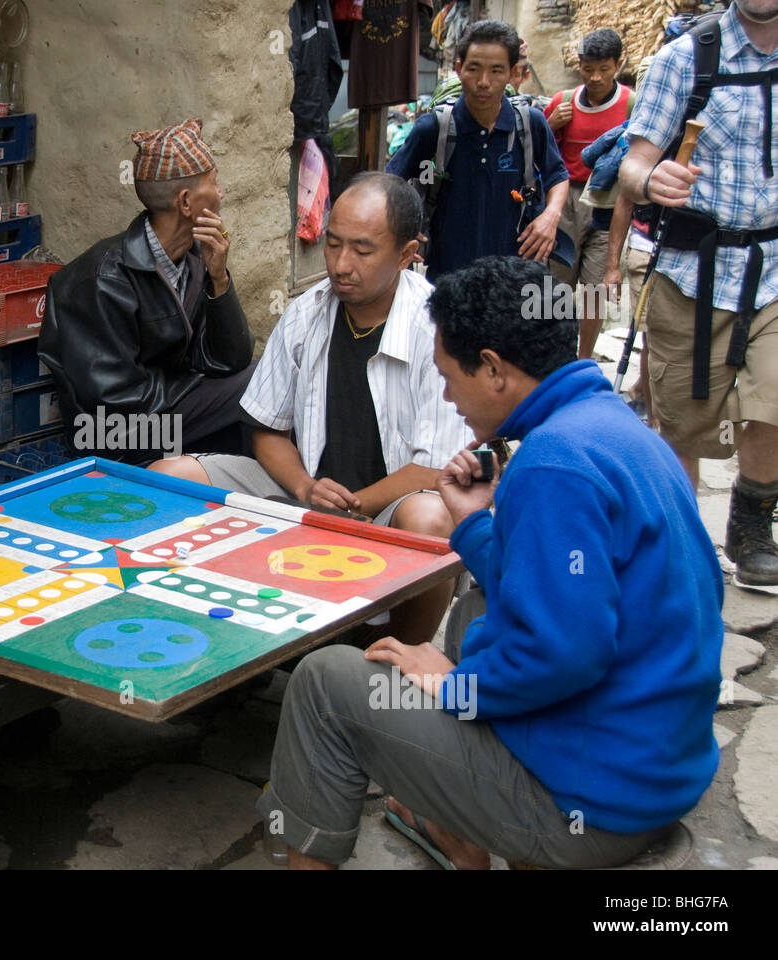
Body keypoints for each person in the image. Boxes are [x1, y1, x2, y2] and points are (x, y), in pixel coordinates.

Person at [256, 256, 723, 870]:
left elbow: (567, 652)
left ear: (495, 370)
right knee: (476, 608)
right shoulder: (617, 427)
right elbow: (573, 594)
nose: (448, 394)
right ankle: (465, 835)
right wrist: (476, 523)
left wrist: (455, 684)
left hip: (590, 807)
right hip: (658, 772)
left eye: (450, 376)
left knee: (326, 683)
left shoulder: (553, 463)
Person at [153, 173, 472, 646]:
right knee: (169, 474)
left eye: (363, 251)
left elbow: (434, 469)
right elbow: (266, 429)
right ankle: (206, 637)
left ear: (408, 254)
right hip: (307, 494)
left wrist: (355, 504)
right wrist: (305, 485)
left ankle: (401, 657)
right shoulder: (307, 312)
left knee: (429, 518)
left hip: (384, 509)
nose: (342, 265)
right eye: (333, 244)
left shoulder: (438, 327)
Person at [618, 0, 778, 588]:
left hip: (775, 266)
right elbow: (632, 165)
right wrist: (652, 178)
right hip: (693, 273)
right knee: (682, 422)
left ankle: (753, 523)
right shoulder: (684, 59)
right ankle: (684, 548)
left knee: (775, 400)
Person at [38, 118, 255, 464]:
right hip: (110, 435)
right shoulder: (104, 279)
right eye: (214, 183)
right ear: (186, 202)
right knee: (257, 388)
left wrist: (220, 281)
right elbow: (114, 401)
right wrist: (193, 385)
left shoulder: (194, 259)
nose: (221, 193)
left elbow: (229, 360)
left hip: (165, 414)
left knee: (259, 389)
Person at [388, 20, 569, 281]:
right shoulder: (435, 128)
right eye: (474, 69)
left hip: (514, 274)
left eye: (496, 71)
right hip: (449, 276)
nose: (484, 82)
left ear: (512, 73)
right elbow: (390, 182)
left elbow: (557, 175)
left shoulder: (530, 124)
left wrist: (551, 217)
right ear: (459, 69)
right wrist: (401, 229)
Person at [544, 28, 635, 357]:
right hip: (566, 199)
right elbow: (539, 149)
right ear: (579, 65)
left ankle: (584, 359)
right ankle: (555, 356)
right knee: (556, 284)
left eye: (604, 68)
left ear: (618, 64)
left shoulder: (630, 104)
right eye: (588, 68)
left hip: (608, 203)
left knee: (595, 288)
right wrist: (551, 124)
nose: (596, 77)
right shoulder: (563, 102)